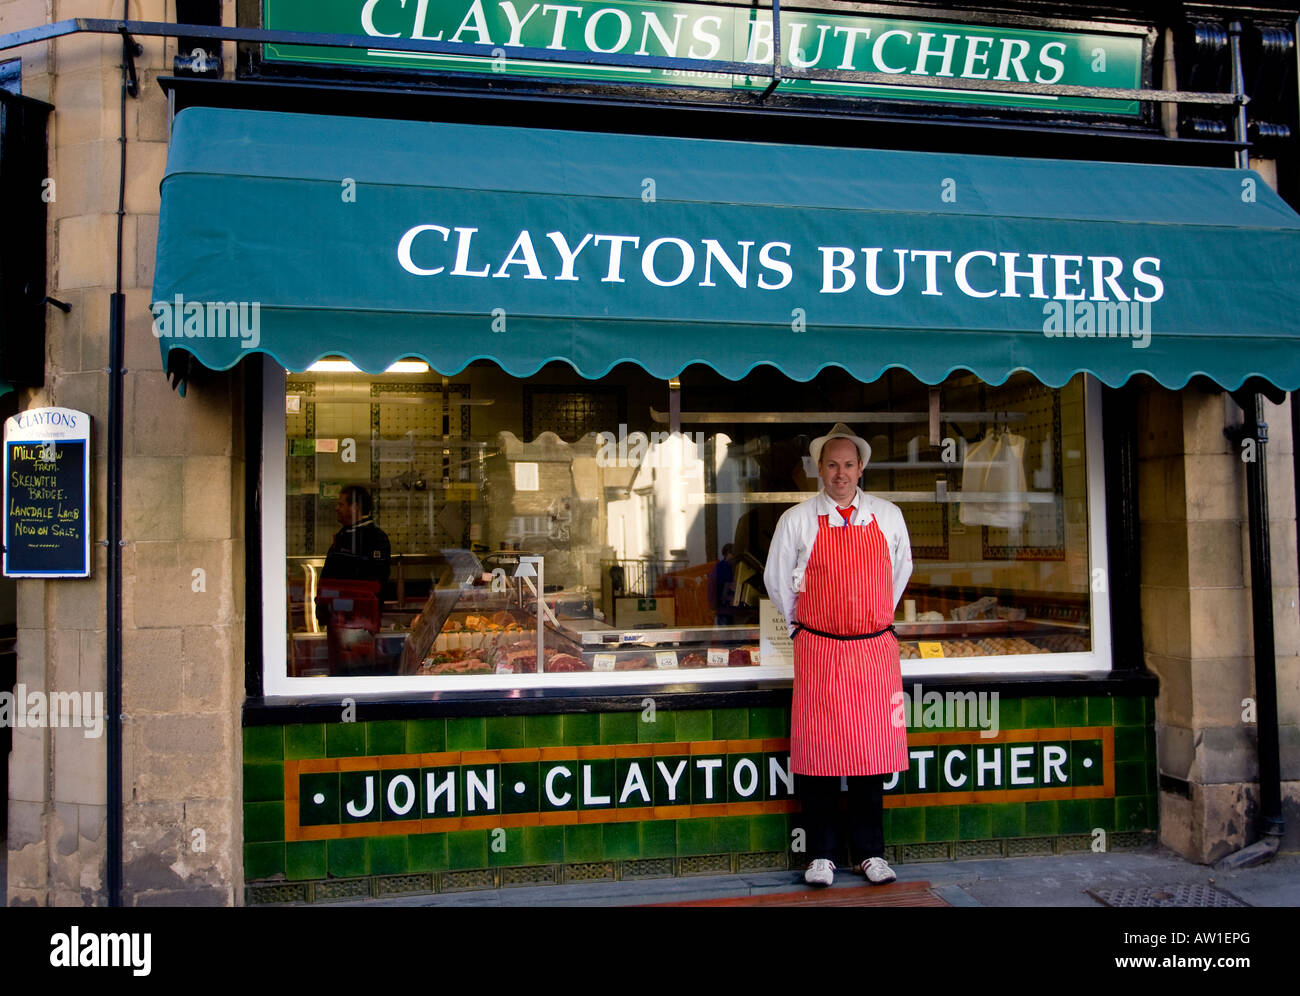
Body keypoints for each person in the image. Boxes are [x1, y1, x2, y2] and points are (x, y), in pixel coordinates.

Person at [763, 423, 912, 888]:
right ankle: (820, 856)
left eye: (848, 464)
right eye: (832, 464)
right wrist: (802, 631)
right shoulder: (797, 520)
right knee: (819, 756)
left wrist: (870, 618)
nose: (840, 473)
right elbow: (776, 581)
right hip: (819, 649)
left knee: (871, 755)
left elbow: (900, 572)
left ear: (861, 468)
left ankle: (871, 854)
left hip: (873, 649)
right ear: (819, 469)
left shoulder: (888, 517)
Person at [316, 485, 392, 625]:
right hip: (337, 619)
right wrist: (323, 608)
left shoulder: (376, 539)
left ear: (355, 508)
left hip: (360, 624)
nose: (336, 508)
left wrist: (337, 607)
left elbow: (372, 585)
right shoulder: (343, 535)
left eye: (341, 504)